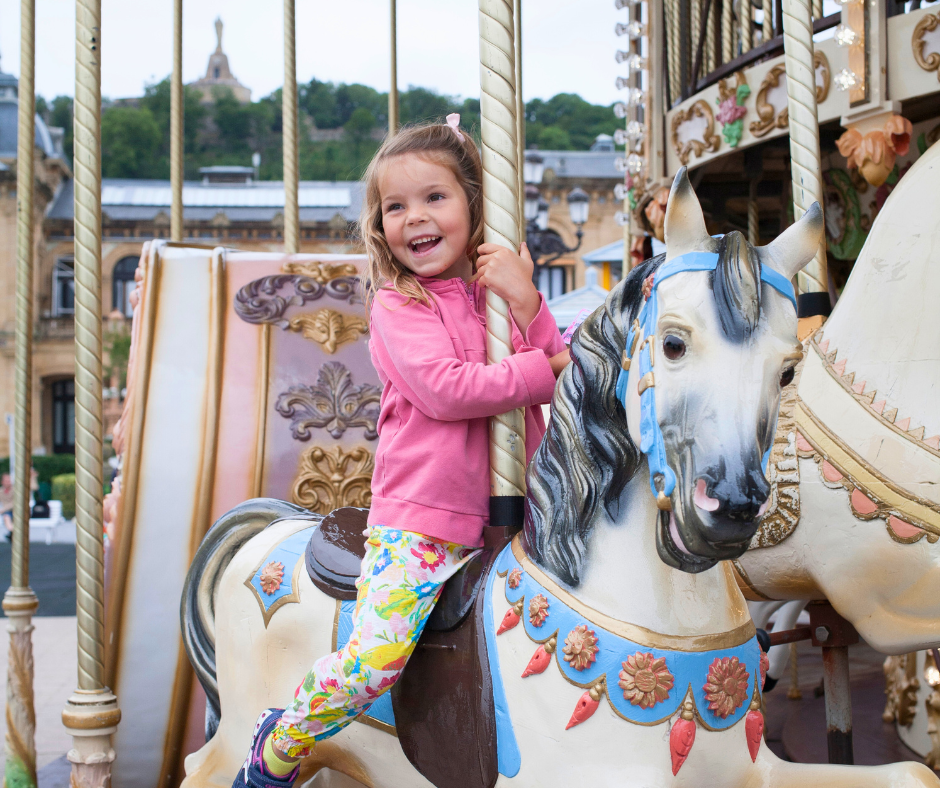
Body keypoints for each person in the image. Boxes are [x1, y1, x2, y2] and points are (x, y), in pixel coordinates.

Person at [233, 115, 570, 787]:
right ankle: (281, 743)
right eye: (396, 206)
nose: (414, 217)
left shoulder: (493, 293)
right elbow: (451, 391)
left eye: (434, 198)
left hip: (526, 513)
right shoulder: (398, 304)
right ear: (379, 223)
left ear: (475, 204)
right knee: (376, 658)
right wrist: (546, 366)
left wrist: (527, 300)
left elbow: (554, 358)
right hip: (424, 523)